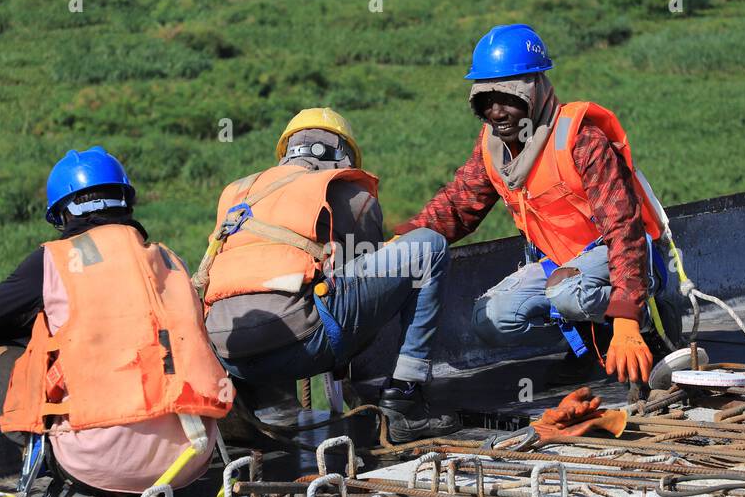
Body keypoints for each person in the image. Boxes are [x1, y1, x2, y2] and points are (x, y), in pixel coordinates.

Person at [0, 146, 232, 497]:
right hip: (189, 457)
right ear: (125, 201)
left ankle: (57, 480)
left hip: (97, 463)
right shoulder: (167, 260)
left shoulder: (53, 262)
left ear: (62, 213)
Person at [392, 24, 685, 384]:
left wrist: (625, 316)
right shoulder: (493, 147)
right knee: (491, 318)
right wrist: (400, 241)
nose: (496, 112)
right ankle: (595, 344)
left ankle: (647, 331)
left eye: (509, 98)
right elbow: (457, 206)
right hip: (560, 268)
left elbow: (624, 231)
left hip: (623, 260)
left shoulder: (580, 140)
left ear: (535, 92)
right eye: (486, 100)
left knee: (568, 291)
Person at [197, 107, 456, 443]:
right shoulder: (349, 194)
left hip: (229, 357)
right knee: (429, 247)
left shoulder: (238, 193)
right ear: (344, 154)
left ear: (287, 151)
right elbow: (368, 280)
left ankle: (271, 407)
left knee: (262, 294)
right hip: (305, 343)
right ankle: (405, 398)